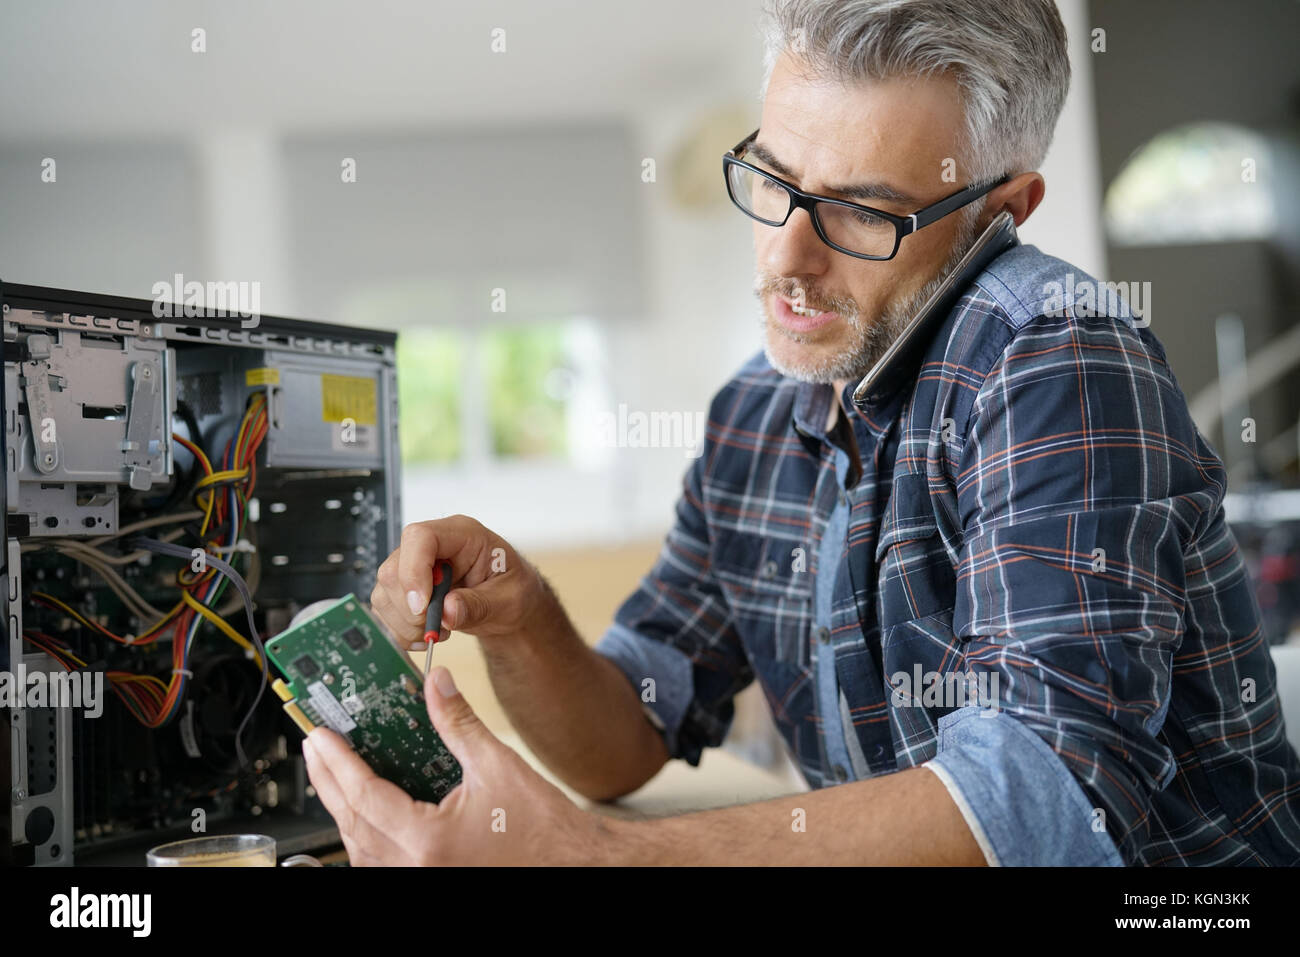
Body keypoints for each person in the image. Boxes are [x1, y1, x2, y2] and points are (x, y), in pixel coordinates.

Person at [302, 0, 1300, 865]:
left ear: (1003, 211)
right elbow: (626, 737)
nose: (787, 259)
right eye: (773, 180)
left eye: (863, 213)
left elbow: (1045, 801)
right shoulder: (756, 411)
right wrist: (525, 624)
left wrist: (590, 857)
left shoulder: (1059, 361)